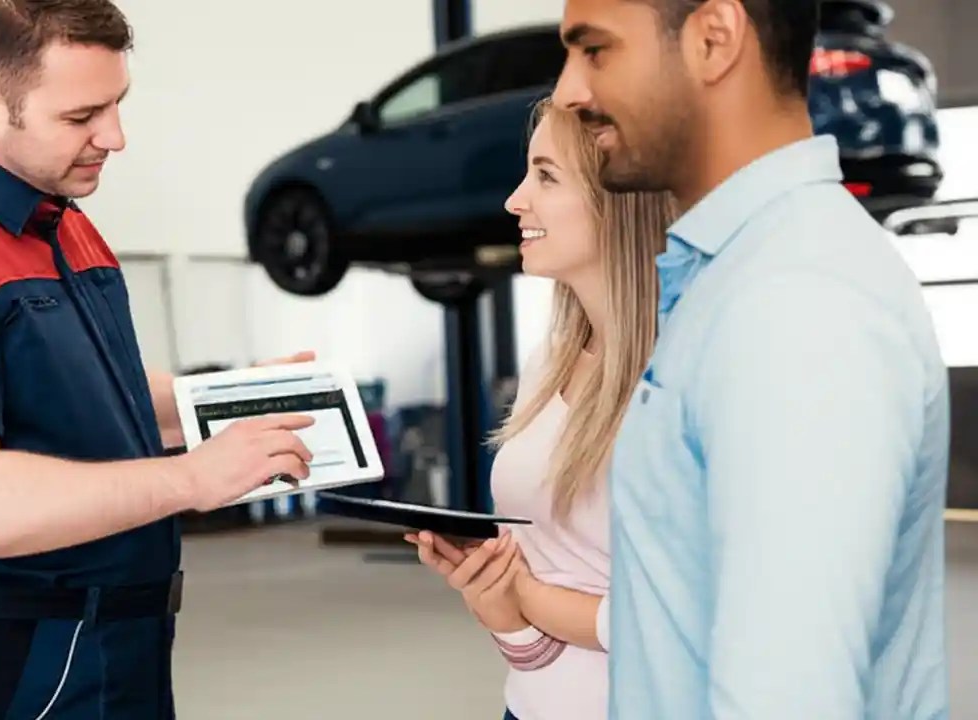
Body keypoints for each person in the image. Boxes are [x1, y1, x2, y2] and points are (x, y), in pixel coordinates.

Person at [0, 2, 314, 718]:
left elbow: (87, 397)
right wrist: (191, 479)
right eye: (82, 116)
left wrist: (231, 399)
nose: (114, 137)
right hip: (14, 663)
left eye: (117, 105)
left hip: (119, 643)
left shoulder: (59, 222)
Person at [551, 0, 950, 716]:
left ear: (713, 39)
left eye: (596, 50)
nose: (568, 91)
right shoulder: (731, 275)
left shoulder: (796, 301)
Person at [406, 101, 674, 720]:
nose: (515, 200)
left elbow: (675, 624)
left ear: (622, 200)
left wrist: (526, 593)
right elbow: (542, 630)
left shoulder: (684, 380)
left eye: (547, 177)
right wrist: (498, 600)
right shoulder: (549, 360)